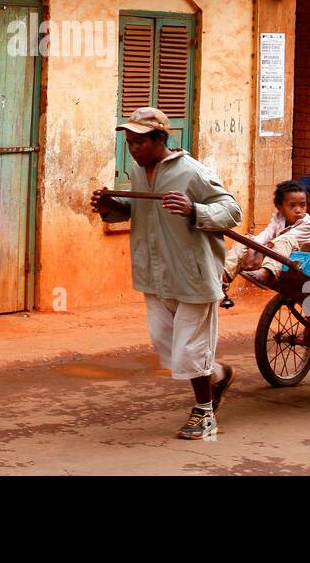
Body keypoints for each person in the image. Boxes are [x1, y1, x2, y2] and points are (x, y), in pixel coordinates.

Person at [90, 107, 242, 441]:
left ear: (160, 138)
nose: (132, 149)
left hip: (193, 275)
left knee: (189, 350)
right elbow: (137, 211)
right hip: (154, 274)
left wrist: (195, 209)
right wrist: (108, 207)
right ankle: (217, 375)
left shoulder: (192, 172)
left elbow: (231, 210)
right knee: (168, 347)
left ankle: (204, 415)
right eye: (129, 142)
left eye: (139, 142)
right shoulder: (138, 170)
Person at [222, 179, 310, 287]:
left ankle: (266, 273)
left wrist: (258, 250)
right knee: (246, 240)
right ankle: (225, 274)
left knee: (285, 240)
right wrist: (252, 245)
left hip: (299, 258)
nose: (298, 210)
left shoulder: (307, 223)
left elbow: (281, 240)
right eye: (292, 206)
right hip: (276, 254)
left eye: (302, 205)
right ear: (279, 207)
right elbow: (267, 234)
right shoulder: (278, 217)